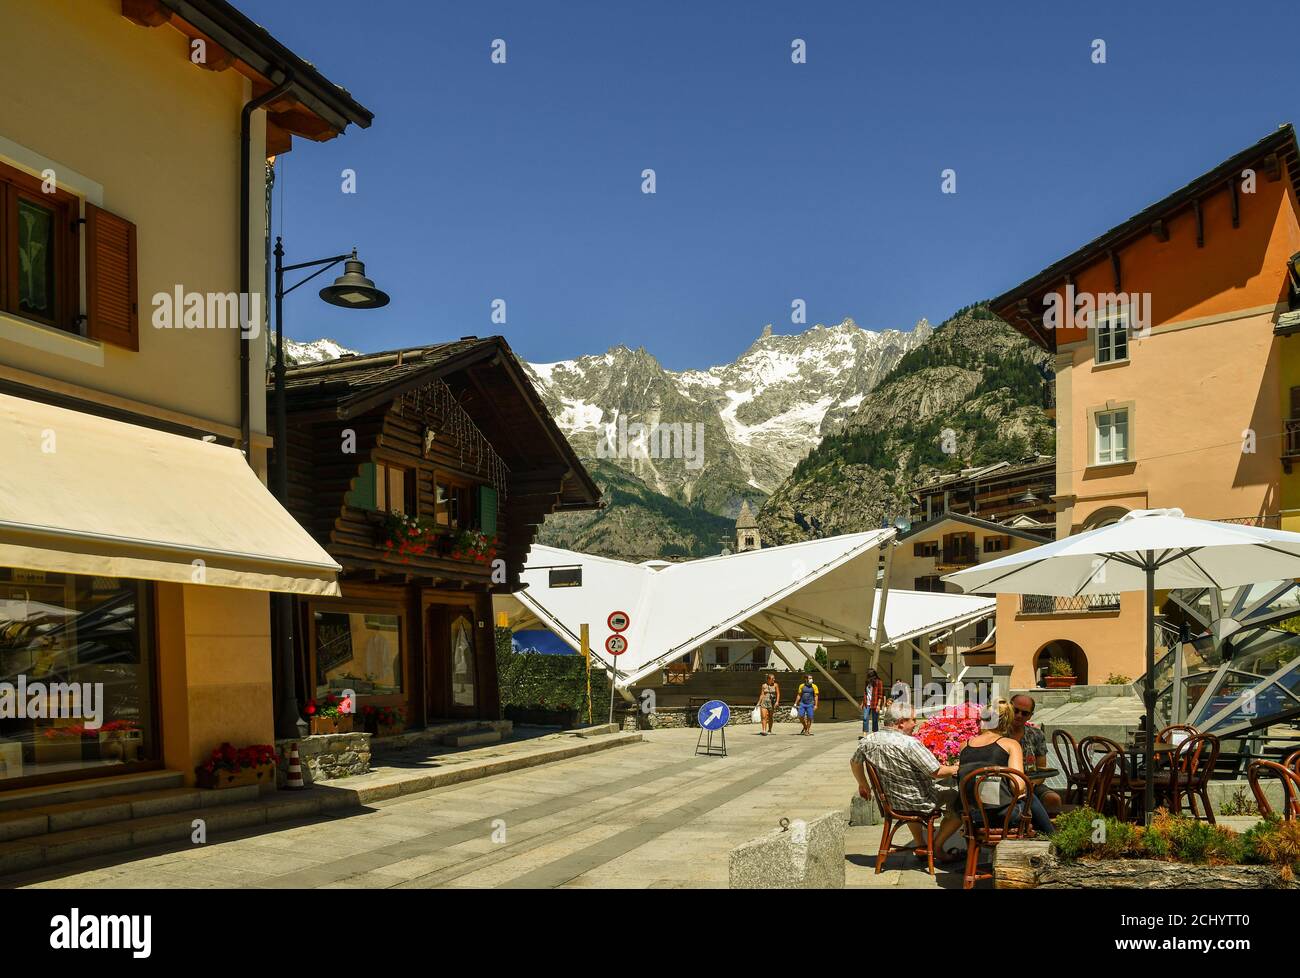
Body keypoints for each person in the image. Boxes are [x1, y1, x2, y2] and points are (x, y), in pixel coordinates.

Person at [851, 702, 962, 859]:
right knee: (961, 799)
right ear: (901, 722)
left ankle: (920, 844)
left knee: (919, 789)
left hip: (891, 802)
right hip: (920, 801)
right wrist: (956, 768)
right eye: (913, 719)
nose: (916, 723)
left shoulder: (868, 740)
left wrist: (863, 784)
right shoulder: (909, 743)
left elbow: (855, 762)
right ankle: (937, 847)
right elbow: (936, 772)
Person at [950, 701, 1054, 836]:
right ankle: (1052, 838)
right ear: (1007, 722)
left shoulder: (964, 745)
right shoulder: (1011, 744)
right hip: (1002, 815)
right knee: (1029, 797)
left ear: (982, 720)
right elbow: (1018, 786)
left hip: (970, 815)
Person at [1006, 693, 1061, 815]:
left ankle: (1044, 832)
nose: (1019, 715)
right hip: (1004, 785)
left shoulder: (1036, 735)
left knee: (1053, 799)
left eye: (1024, 713)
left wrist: (1031, 785)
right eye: (1016, 710)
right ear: (1009, 709)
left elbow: (1041, 768)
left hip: (1031, 784)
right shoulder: (999, 734)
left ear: (1030, 716)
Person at [861, 669, 884, 734]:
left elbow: (880, 695)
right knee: (865, 718)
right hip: (867, 703)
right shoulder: (867, 682)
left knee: (875, 719)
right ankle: (865, 733)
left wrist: (879, 705)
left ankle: (875, 733)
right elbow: (865, 692)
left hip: (875, 703)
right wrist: (862, 702)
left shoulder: (879, 682)